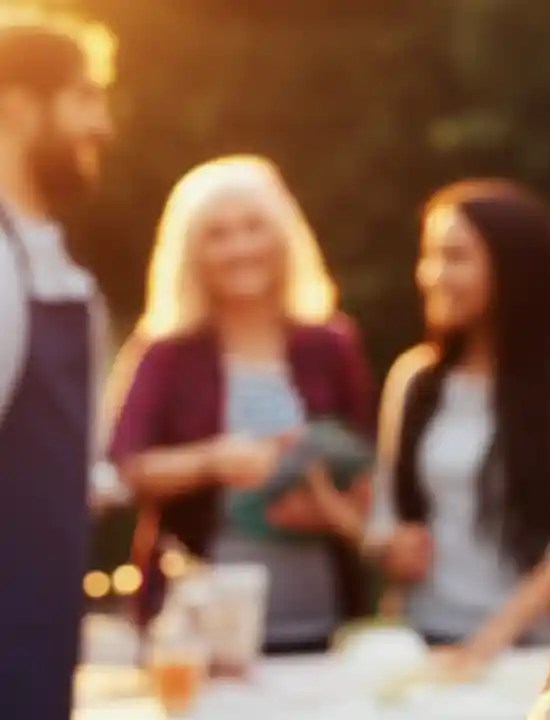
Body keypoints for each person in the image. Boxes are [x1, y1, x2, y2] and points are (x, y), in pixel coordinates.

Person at [320, 179, 550, 677]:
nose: (433, 275)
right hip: (425, 643)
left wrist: (486, 645)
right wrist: (391, 546)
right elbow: (391, 519)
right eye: (429, 256)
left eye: (455, 257)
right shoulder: (414, 378)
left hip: (530, 654)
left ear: (512, 268)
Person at [108, 155, 374, 653]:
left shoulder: (331, 344)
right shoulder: (165, 352)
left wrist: (329, 504)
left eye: (254, 228)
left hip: (322, 610)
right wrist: (213, 460)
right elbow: (127, 467)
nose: (240, 248)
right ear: (192, 252)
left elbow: (367, 464)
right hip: (199, 624)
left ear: (282, 237)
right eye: (218, 234)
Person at [0, 13, 115, 719]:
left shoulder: (63, 276)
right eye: (85, 98)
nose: (103, 125)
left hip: (39, 657)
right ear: (15, 106)